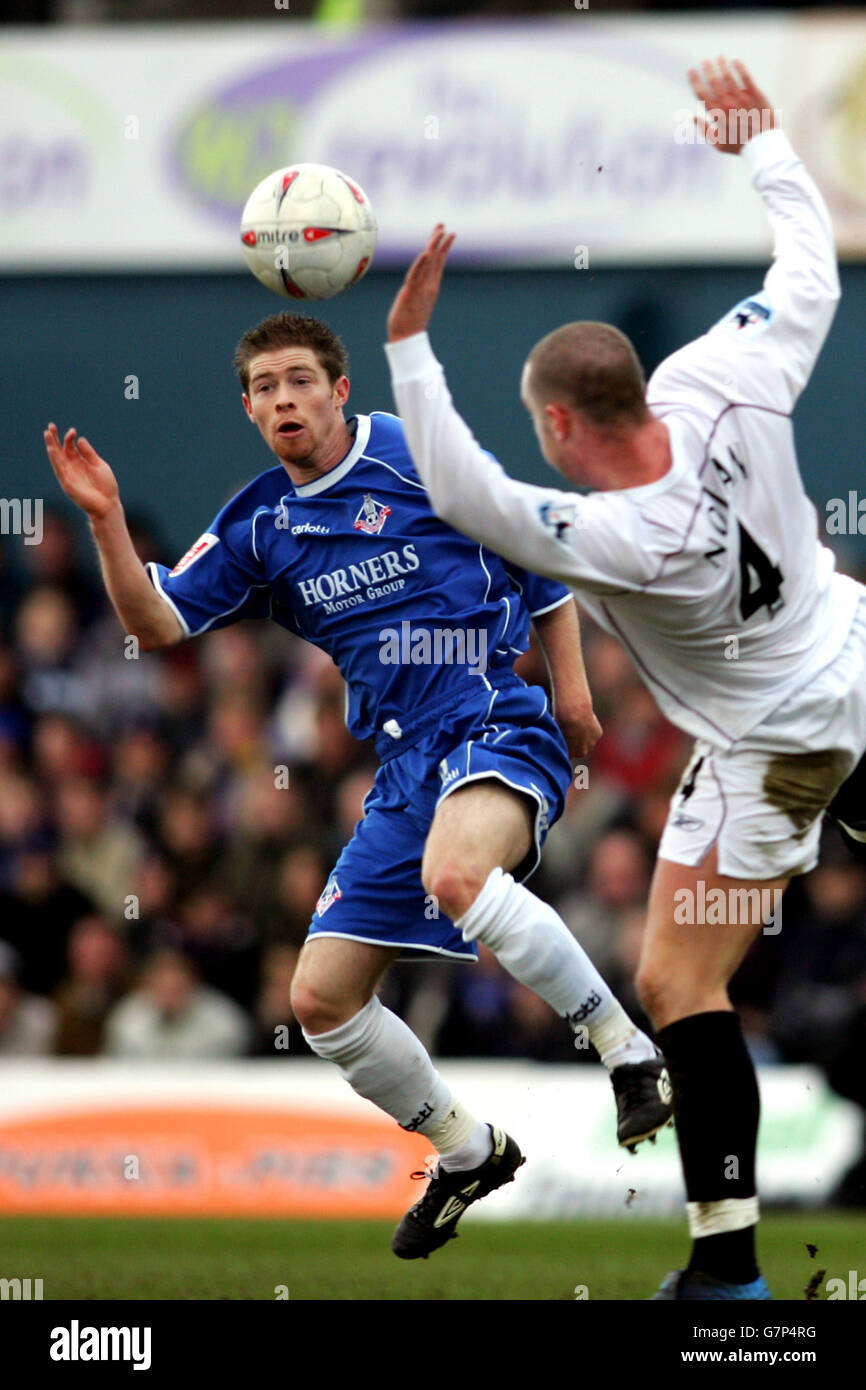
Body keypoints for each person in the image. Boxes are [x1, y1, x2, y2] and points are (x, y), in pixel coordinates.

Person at [383, 57, 866, 1297]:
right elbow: (807, 265)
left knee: (673, 980)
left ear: (557, 425)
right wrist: (757, 143)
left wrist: (409, 348)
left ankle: (729, 1276)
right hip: (855, 654)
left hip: (775, 745)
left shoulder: (618, 535)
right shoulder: (728, 372)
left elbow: (461, 494)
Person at [44, 312, 672, 1261]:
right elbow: (161, 622)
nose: (284, 398)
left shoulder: (421, 456)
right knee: (321, 1002)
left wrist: (574, 689)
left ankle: (629, 1053)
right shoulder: (261, 524)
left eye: (302, 379)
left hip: (494, 716)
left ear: (341, 392)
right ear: (249, 407)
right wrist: (107, 522)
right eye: (265, 387)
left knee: (460, 880)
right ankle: (466, 1152)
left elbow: (538, 558)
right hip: (404, 767)